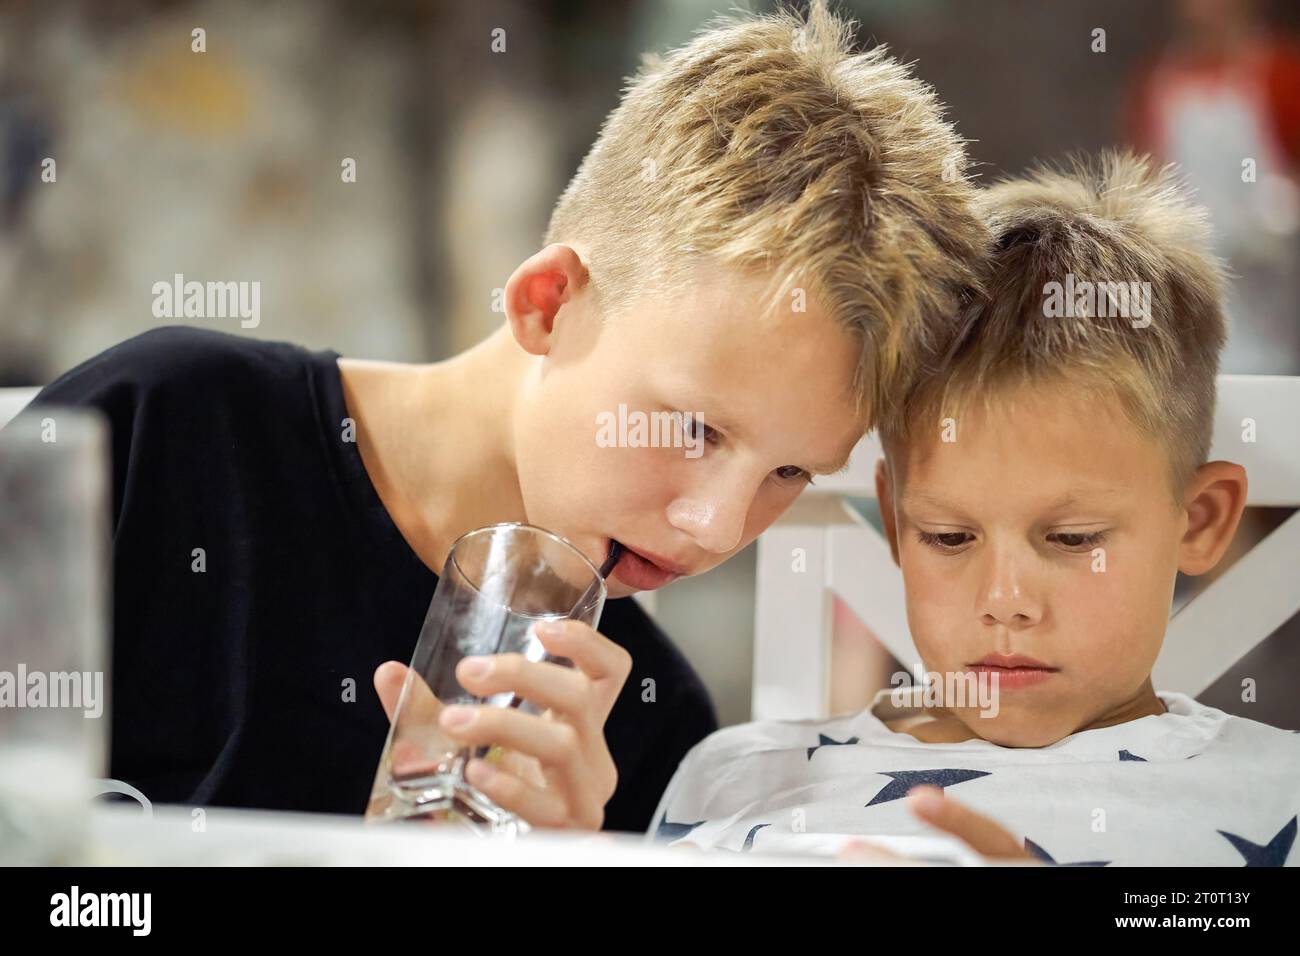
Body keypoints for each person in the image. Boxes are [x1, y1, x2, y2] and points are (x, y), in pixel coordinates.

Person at [14, 1, 986, 832]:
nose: (717, 527)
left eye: (789, 473)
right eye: (694, 429)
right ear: (547, 303)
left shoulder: (635, 731)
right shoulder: (168, 435)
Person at [651, 152, 1300, 864]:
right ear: (897, 525)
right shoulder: (737, 779)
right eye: (950, 536)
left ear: (1200, 521)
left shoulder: (1275, 796)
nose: (1006, 602)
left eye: (1074, 538)